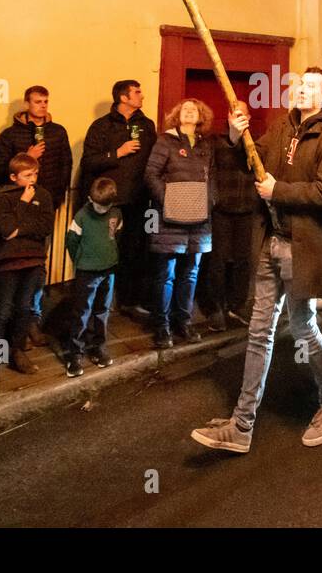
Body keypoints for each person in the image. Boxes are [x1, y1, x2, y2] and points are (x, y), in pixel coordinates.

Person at [190, 67, 322, 454]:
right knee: (259, 331)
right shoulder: (282, 127)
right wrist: (235, 133)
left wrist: (279, 189)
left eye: (311, 86)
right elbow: (254, 160)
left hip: (302, 245)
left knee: (304, 327)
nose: (302, 91)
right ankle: (242, 425)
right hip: (271, 242)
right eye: (299, 85)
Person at [0, 86, 73, 347]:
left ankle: (31, 321)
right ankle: (12, 329)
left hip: (44, 207)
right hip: (14, 212)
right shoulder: (11, 134)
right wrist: (27, 154)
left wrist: (56, 198)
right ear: (27, 104)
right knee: (13, 269)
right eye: (37, 102)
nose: (43, 106)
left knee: (38, 268)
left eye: (46, 101)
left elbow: (66, 165)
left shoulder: (58, 132)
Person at [79, 80, 157, 322]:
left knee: (135, 252)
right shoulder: (102, 126)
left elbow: (154, 159)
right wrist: (117, 153)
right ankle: (104, 301)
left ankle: (130, 300)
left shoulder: (146, 125)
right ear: (123, 97)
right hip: (110, 204)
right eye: (137, 92)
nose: (142, 95)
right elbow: (89, 162)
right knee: (107, 251)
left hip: (139, 201)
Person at [144, 98, 215, 349]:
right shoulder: (165, 141)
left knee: (191, 273)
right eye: (184, 108)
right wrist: (170, 200)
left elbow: (212, 177)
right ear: (177, 115)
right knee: (167, 274)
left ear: (200, 117)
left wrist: (210, 201)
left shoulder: (206, 145)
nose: (188, 111)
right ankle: (162, 326)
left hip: (199, 218)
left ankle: (183, 321)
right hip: (169, 218)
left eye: (194, 109)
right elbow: (150, 174)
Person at [0, 153, 54, 394]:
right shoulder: (2, 197)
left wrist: (21, 227)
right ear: (13, 177)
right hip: (7, 261)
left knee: (24, 308)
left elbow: (44, 227)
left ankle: (16, 350)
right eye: (26, 175)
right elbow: (7, 231)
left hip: (33, 259)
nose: (32, 179)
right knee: (2, 311)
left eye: (35, 174)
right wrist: (23, 204)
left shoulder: (43, 195)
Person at [198, 99, 258, 331]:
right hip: (222, 209)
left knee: (243, 260)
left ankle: (237, 305)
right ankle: (215, 308)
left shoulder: (256, 143)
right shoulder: (216, 141)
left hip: (246, 208)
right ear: (229, 117)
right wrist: (234, 136)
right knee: (218, 260)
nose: (240, 117)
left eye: (244, 114)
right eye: (235, 114)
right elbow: (228, 152)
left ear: (249, 118)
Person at [63, 177, 123, 374]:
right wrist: (80, 260)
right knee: (82, 312)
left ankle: (99, 346)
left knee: (102, 310)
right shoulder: (82, 216)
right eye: (98, 205)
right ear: (90, 198)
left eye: (104, 206)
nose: (101, 210)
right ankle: (75, 352)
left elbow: (116, 235)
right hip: (87, 271)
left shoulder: (116, 213)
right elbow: (71, 241)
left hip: (108, 268)